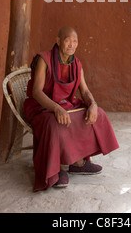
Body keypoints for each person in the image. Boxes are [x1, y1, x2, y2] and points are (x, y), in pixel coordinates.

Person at [24, 26, 119, 191]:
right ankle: (57, 169)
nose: (71, 45)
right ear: (58, 40)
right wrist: (56, 108)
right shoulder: (43, 59)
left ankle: (78, 162)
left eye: (75, 41)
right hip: (42, 106)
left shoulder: (76, 64)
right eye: (67, 40)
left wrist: (93, 105)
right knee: (56, 124)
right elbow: (37, 92)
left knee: (97, 115)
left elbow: (84, 91)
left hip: (66, 104)